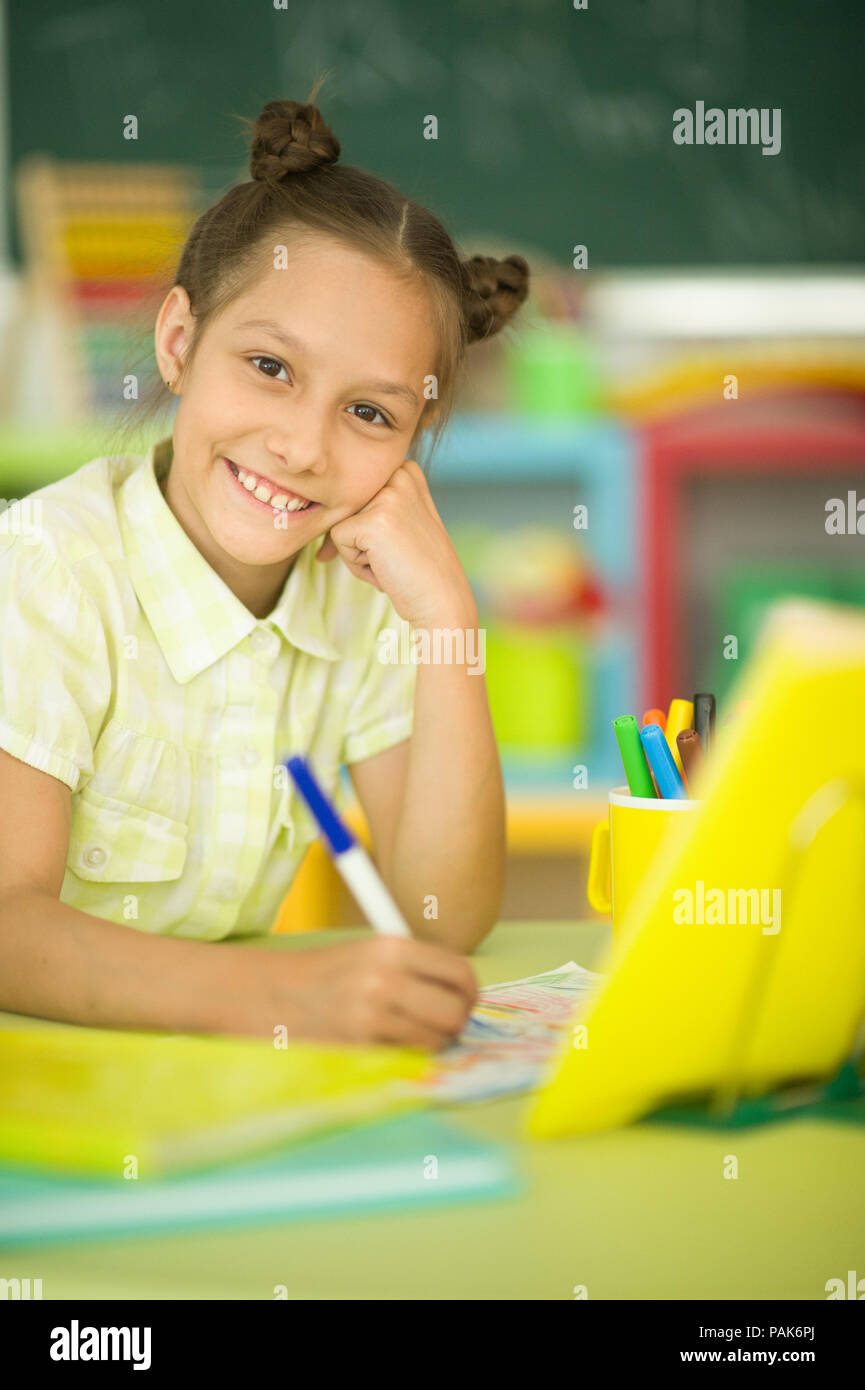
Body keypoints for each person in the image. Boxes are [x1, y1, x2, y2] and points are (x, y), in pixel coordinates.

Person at [0, 92, 530, 1048]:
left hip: (202, 1090)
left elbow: (444, 916)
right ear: (178, 343)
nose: (301, 447)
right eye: (270, 367)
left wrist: (447, 616)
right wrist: (277, 999)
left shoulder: (363, 604)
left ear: (415, 446)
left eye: (370, 414)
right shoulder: (47, 573)